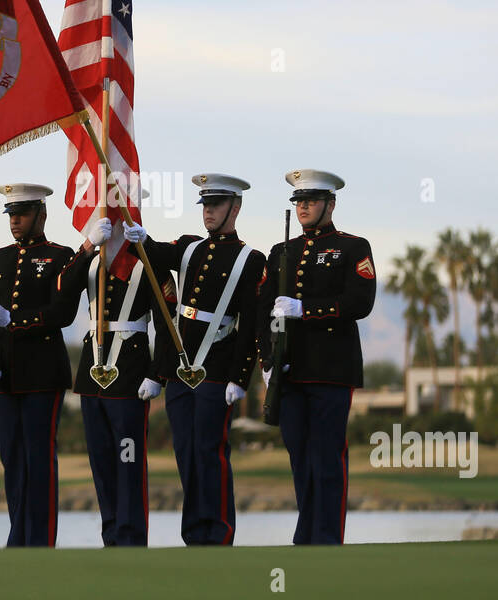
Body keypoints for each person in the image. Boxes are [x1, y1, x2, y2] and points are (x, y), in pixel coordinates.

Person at [123, 174, 265, 546]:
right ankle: (194, 534)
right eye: (205, 205)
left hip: (216, 368)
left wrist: (240, 376)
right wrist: (141, 237)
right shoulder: (188, 248)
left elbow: (250, 324)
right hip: (181, 370)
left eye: (216, 205)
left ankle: (218, 533)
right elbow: (156, 256)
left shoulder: (251, 259)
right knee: (185, 453)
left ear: (235, 208)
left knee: (210, 453)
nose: (209, 212)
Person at [257, 169, 376, 544]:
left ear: (331, 203)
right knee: (299, 458)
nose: (303, 206)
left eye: (310, 200)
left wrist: (305, 309)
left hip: (330, 369)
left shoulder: (353, 247)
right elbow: (262, 311)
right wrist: (266, 362)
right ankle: (306, 535)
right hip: (290, 372)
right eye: (299, 201)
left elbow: (360, 302)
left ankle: (326, 538)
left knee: (326, 459)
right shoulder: (282, 251)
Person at [52, 189, 168, 546]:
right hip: (91, 377)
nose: (114, 219)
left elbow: (166, 323)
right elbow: (61, 294)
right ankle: (111, 534)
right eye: (109, 212)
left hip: (131, 377)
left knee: (128, 462)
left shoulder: (150, 262)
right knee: (102, 463)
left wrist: (157, 373)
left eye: (121, 212)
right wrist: (87, 246)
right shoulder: (91, 260)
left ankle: (132, 536)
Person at [0, 183, 76, 547]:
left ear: (41, 214)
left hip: (42, 374)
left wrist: (13, 320)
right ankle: (18, 538)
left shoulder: (59, 256)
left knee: (39, 460)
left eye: (21, 214)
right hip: (5, 376)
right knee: (12, 462)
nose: (14, 221)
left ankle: (41, 540)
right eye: (11, 215)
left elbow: (61, 313)